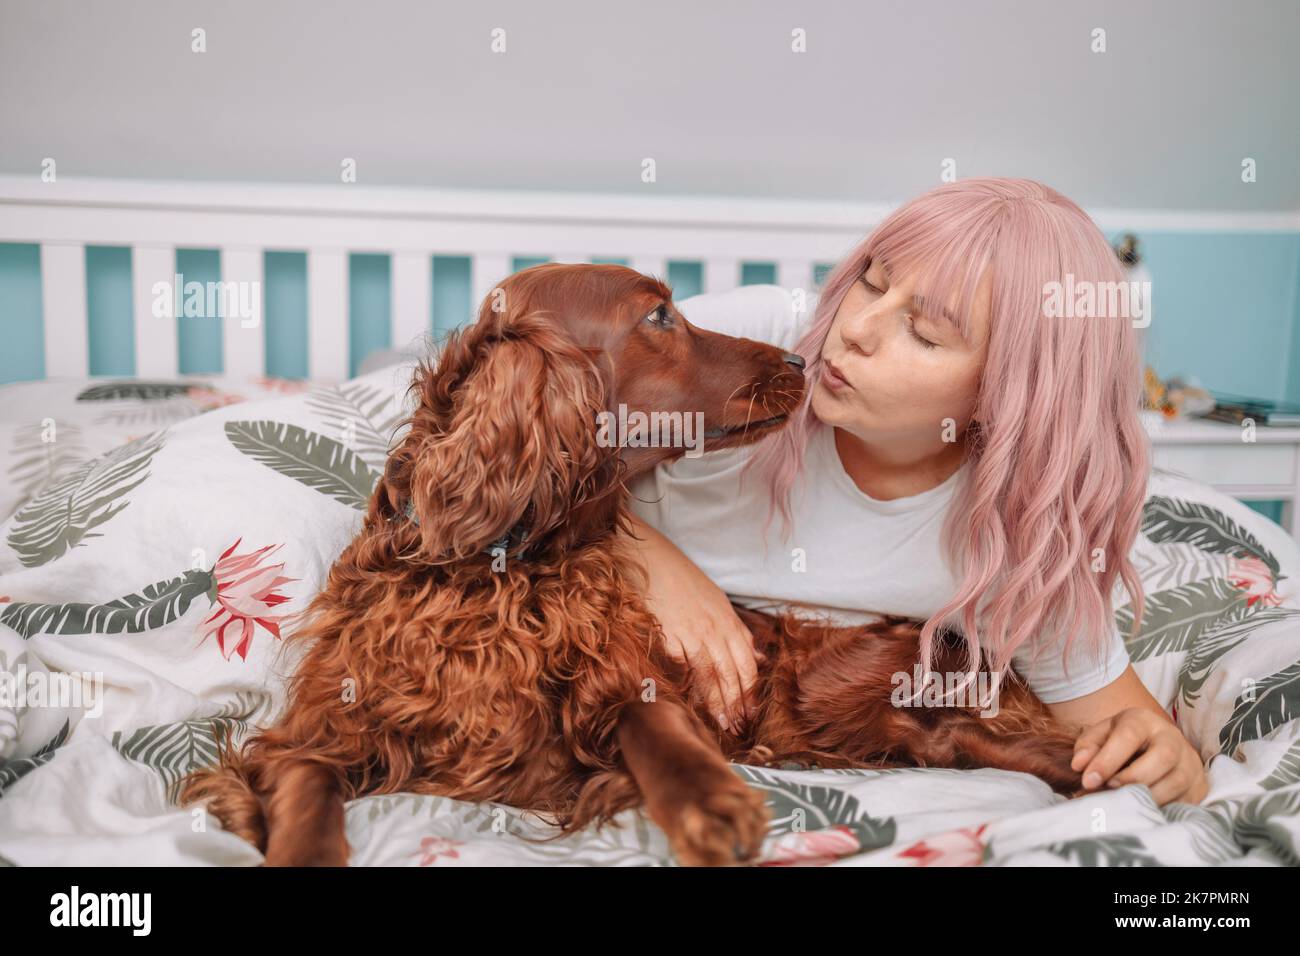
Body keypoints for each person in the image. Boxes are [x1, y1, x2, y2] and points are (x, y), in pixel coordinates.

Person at [623, 178, 1208, 806]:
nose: (856, 329)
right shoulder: (752, 344)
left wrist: (1169, 758)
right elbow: (523, 454)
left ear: (1005, 395)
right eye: (871, 281)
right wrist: (646, 556)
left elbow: (1126, 731)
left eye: (924, 333)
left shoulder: (1020, 532)